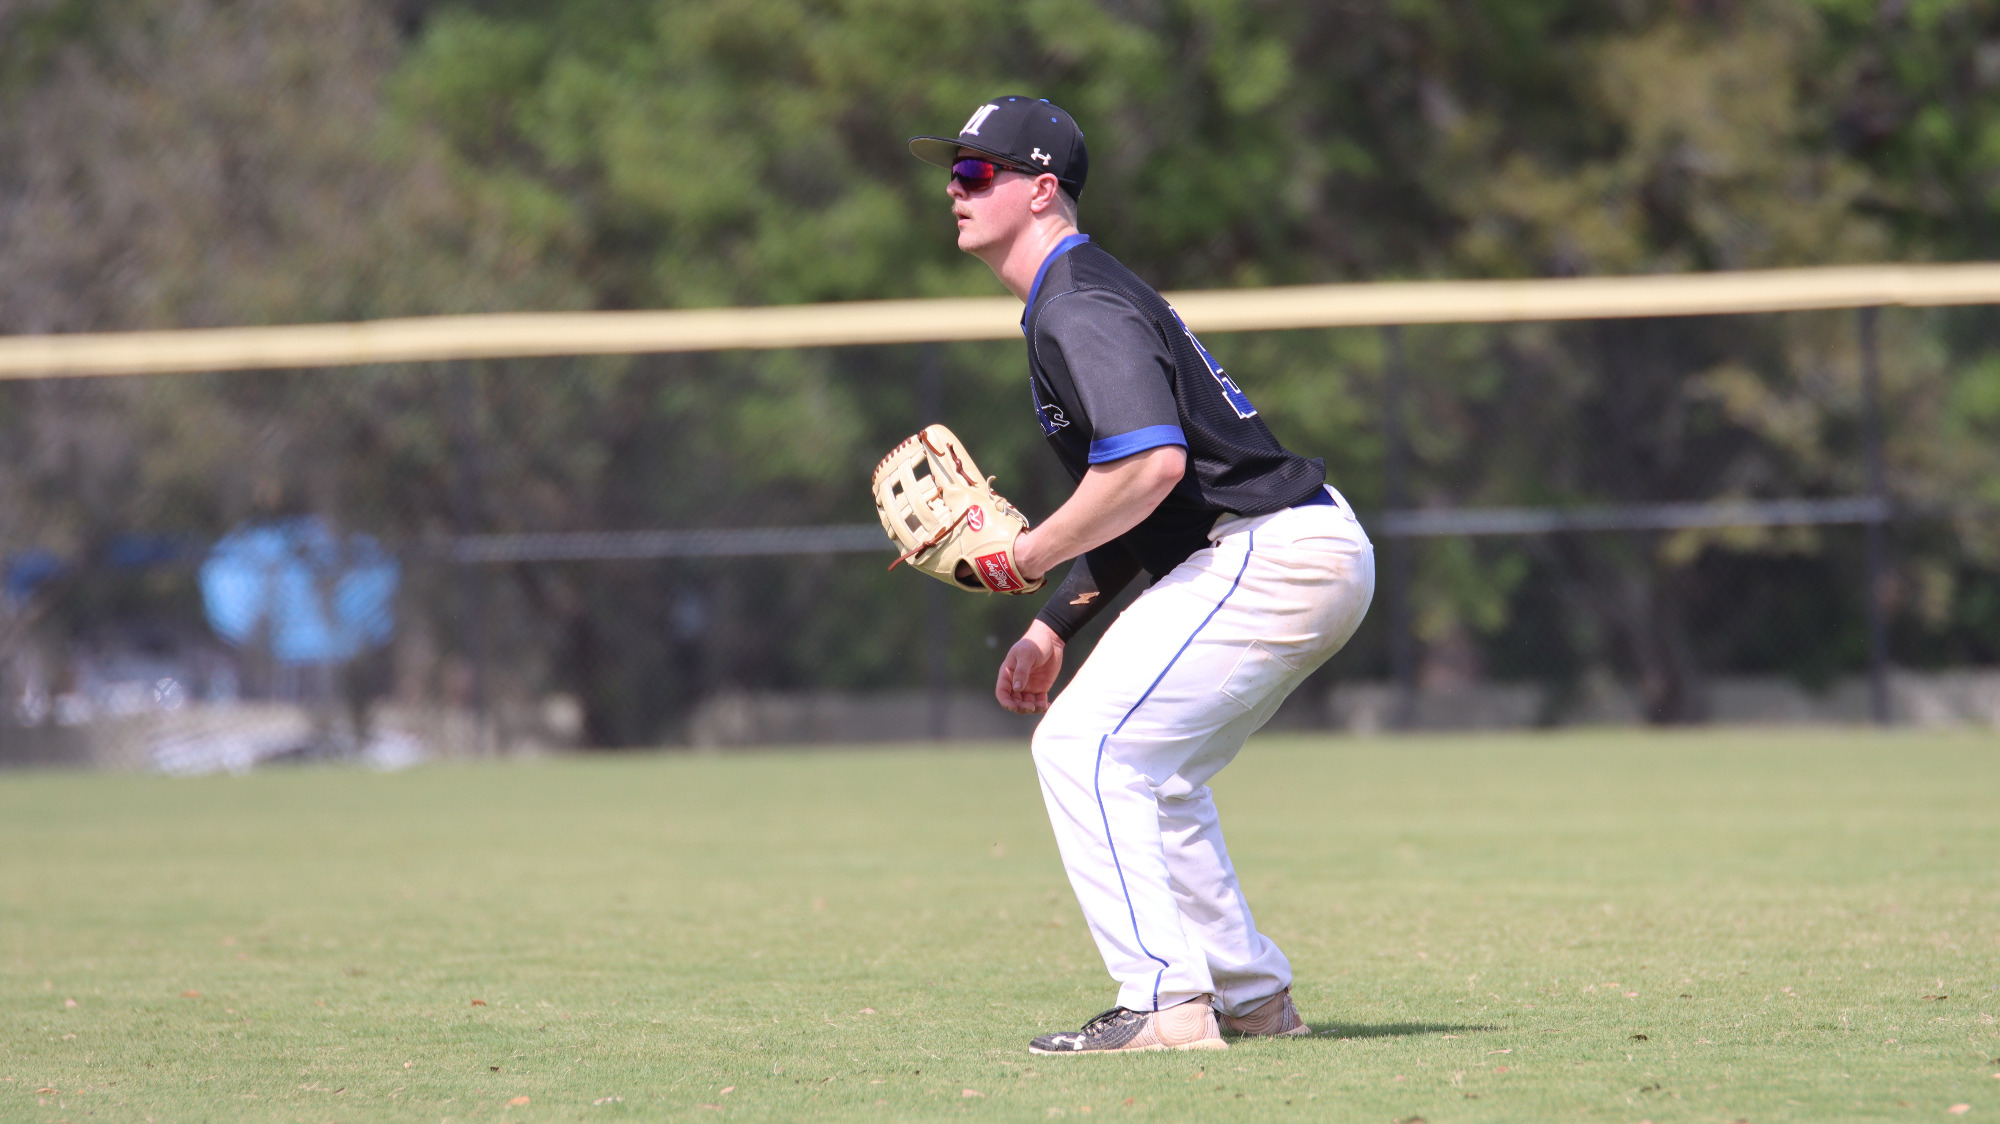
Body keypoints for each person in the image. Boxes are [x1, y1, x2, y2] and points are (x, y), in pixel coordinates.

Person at [909, 97, 1375, 1055]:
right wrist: (1052, 625)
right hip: (1294, 550)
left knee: (1084, 747)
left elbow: (1148, 469)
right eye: (952, 173)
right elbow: (1140, 502)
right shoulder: (1080, 295)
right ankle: (1249, 996)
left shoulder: (1075, 301)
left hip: (1268, 552)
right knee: (1153, 775)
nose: (954, 192)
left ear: (1043, 191)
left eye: (974, 173)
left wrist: (1030, 550)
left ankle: (1165, 1004)